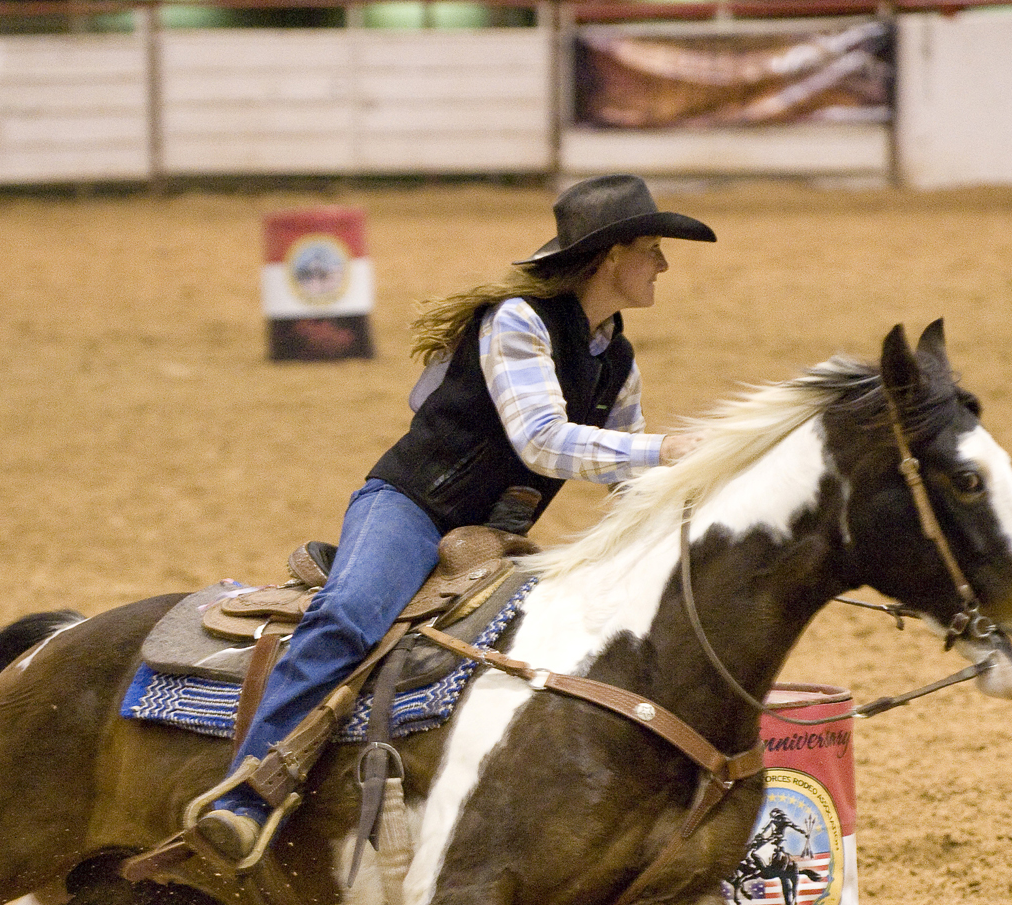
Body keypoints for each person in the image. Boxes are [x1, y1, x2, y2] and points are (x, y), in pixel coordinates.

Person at [196, 174, 717, 864]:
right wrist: (665, 448)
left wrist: (681, 510)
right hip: (413, 506)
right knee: (351, 612)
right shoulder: (518, 321)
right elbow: (544, 440)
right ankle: (244, 792)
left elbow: (625, 473)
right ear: (610, 257)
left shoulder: (614, 357)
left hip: (494, 537)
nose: (664, 264)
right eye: (652, 248)